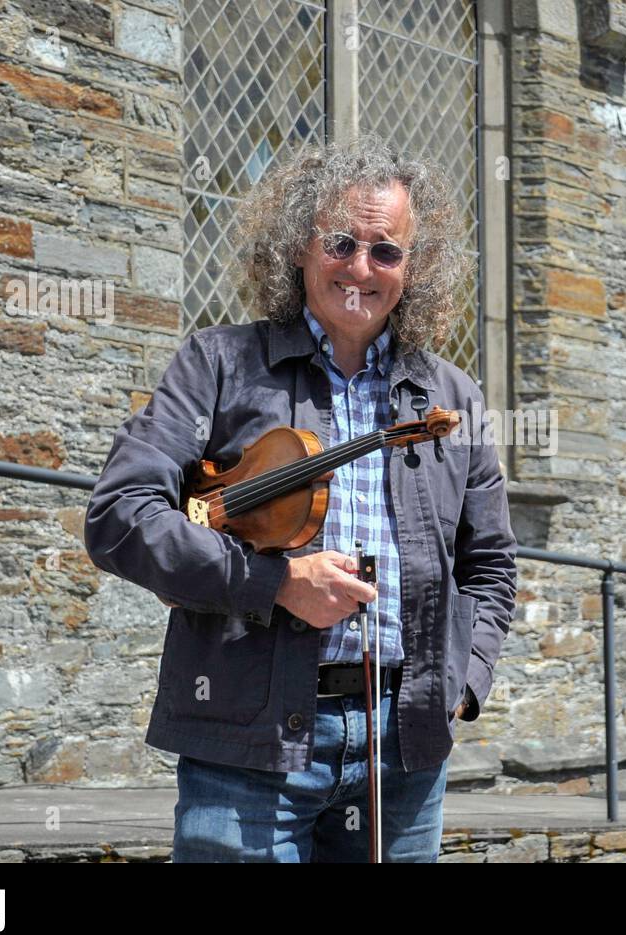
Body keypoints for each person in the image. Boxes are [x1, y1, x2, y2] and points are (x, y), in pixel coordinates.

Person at [83, 135, 518, 862]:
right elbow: (121, 515)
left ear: (414, 269)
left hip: (404, 748)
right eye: (340, 242)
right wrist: (275, 583)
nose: (360, 268)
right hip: (249, 742)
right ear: (298, 246)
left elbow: (491, 565)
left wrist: (464, 681)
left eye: (386, 252)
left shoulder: (451, 397)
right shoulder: (219, 366)